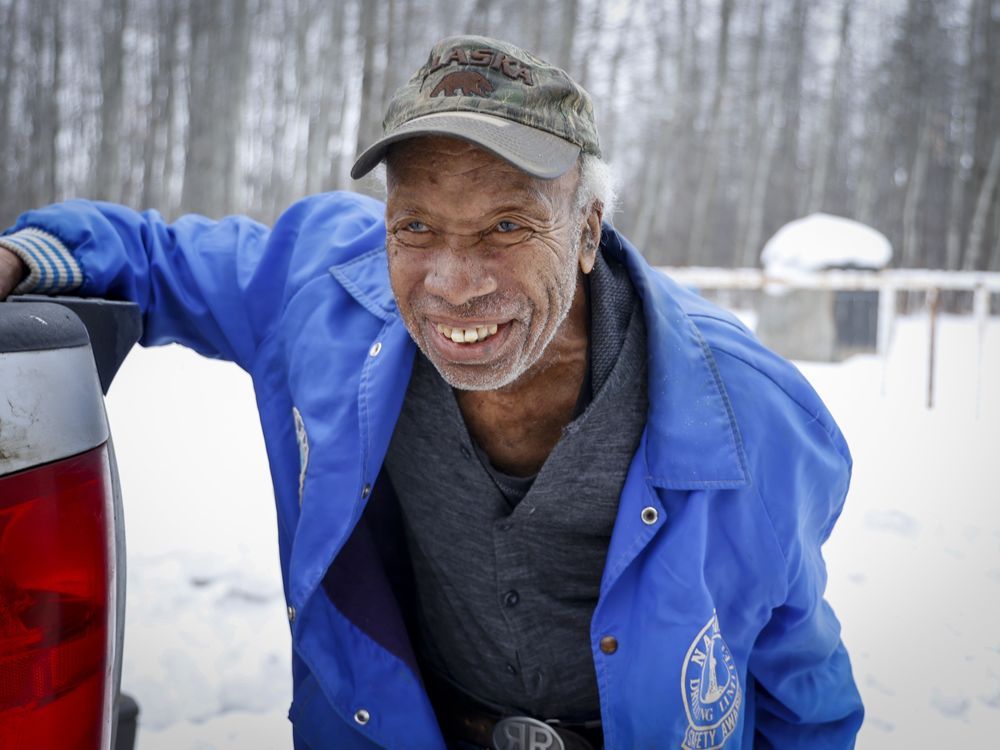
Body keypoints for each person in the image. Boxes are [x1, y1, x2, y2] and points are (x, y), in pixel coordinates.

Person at [0, 35, 863, 750]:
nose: (452, 284)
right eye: (416, 226)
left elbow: (801, 685)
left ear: (587, 230)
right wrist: (20, 255)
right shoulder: (330, 296)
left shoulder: (747, 417)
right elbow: (156, 257)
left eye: (506, 226)